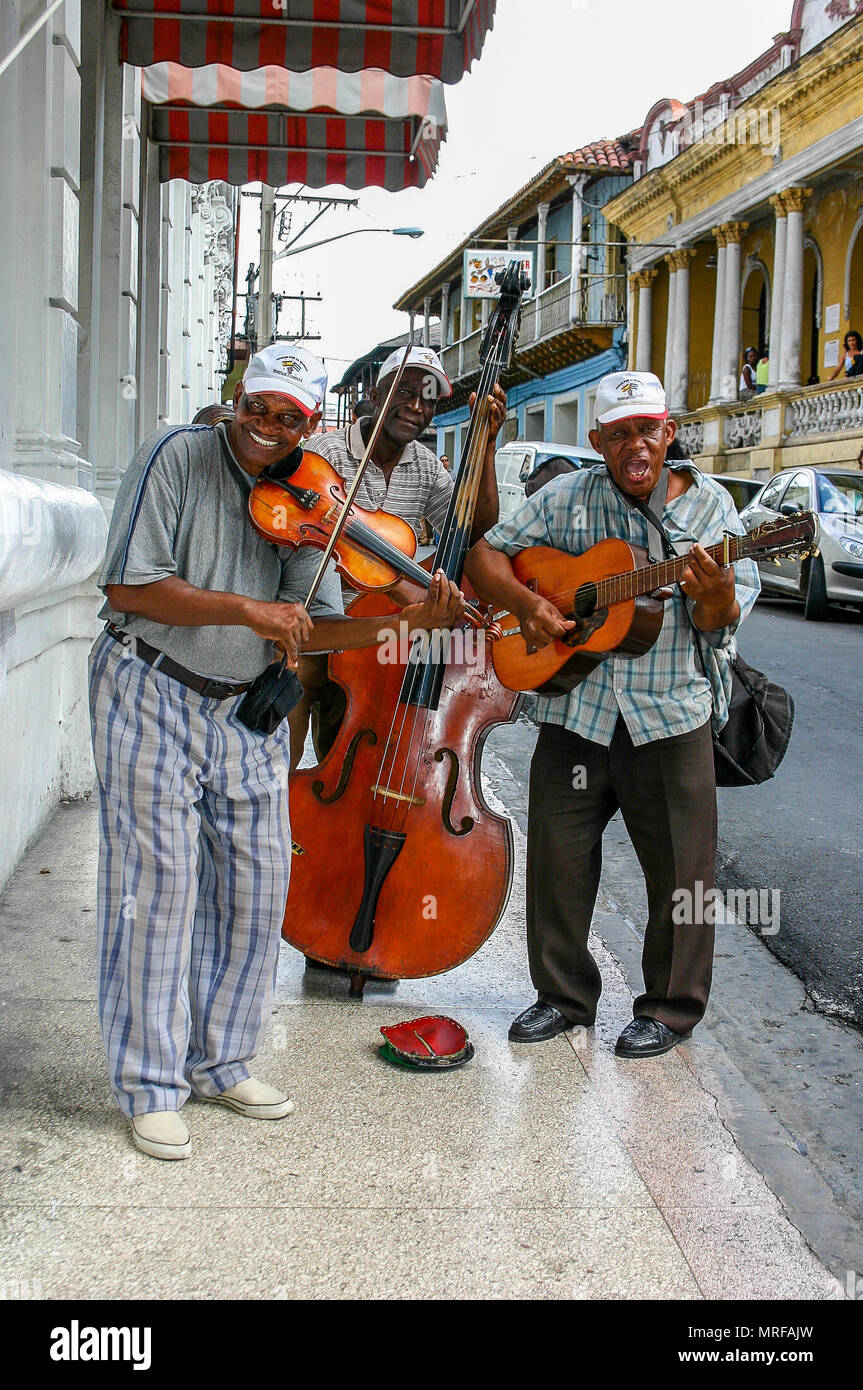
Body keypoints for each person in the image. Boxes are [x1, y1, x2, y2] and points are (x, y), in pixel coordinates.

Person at [90, 342, 465, 1161]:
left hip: (244, 710)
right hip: (151, 681)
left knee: (260, 882)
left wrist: (413, 618)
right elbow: (126, 587)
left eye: (287, 417)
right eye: (255, 408)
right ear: (235, 397)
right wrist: (249, 613)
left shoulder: (312, 504)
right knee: (157, 887)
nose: (265, 427)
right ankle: (151, 1085)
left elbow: (317, 626)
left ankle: (220, 1061)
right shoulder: (175, 456)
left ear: (313, 423)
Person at [465, 370, 760, 1059]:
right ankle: (562, 998)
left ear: (669, 432)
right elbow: (484, 554)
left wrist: (712, 592)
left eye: (647, 431)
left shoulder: (711, 511)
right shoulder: (566, 496)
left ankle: (668, 1008)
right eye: (619, 433)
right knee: (559, 864)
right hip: (577, 709)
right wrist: (528, 604)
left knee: (682, 876)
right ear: (596, 440)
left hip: (667, 717)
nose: (636, 446)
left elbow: (721, 620)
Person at [287, 345, 506, 769]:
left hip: (382, 637)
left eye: (427, 398)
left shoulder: (424, 465)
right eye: (404, 391)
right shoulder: (325, 454)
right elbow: (301, 544)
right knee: (291, 752)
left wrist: (488, 446)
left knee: (363, 755)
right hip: (318, 630)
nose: (415, 406)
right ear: (374, 392)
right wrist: (398, 585)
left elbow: (472, 530)